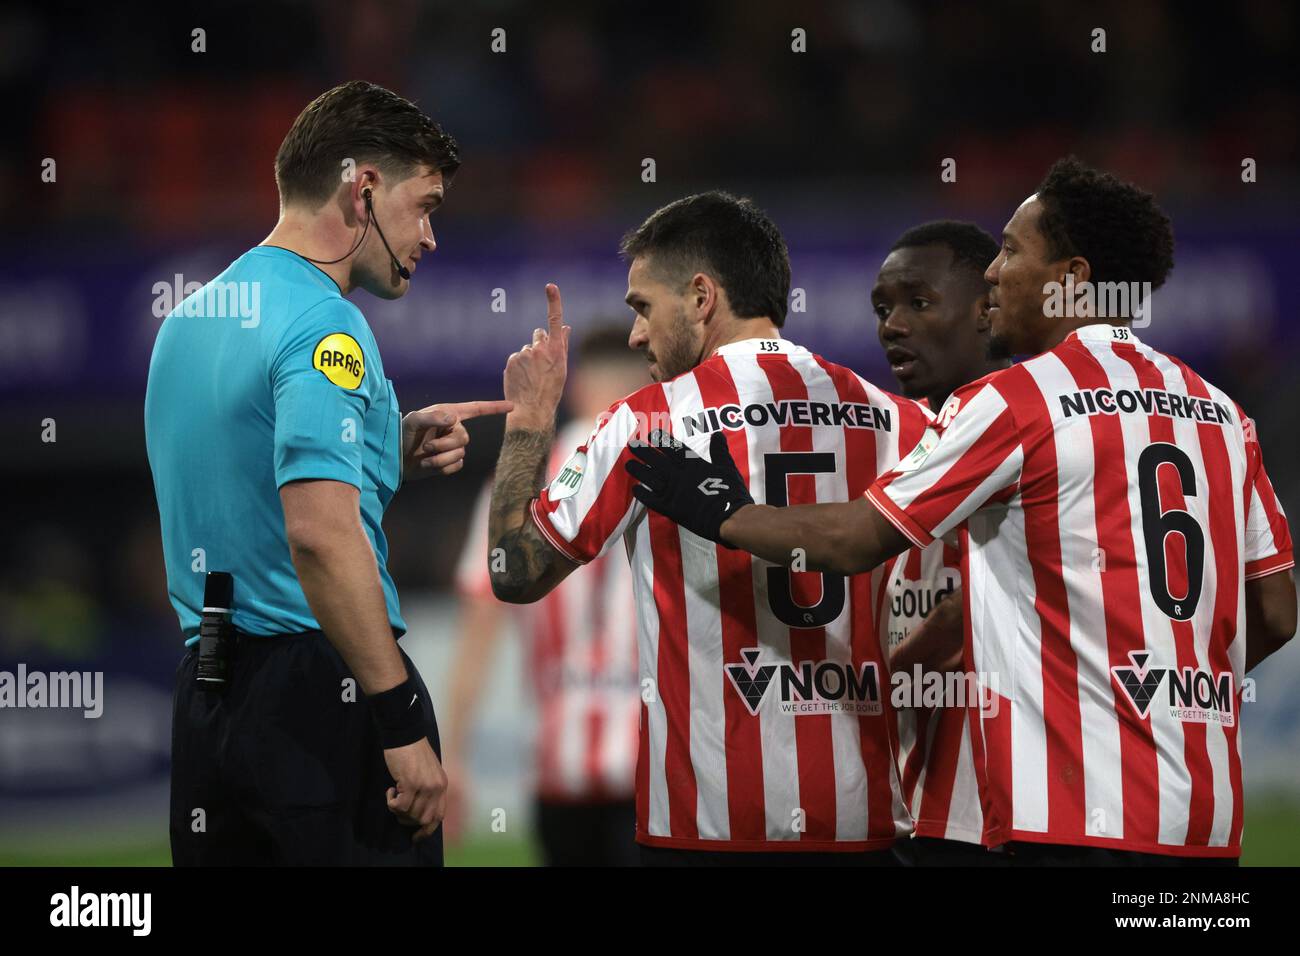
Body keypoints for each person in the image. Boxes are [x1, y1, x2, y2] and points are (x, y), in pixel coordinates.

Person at [626, 158, 1297, 865]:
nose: (992, 274)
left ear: (1070, 278)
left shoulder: (1019, 399)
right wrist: (1160, 678)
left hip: (1067, 817)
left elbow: (854, 538)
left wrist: (721, 510)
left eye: (1010, 251)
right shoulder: (1223, 415)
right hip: (1205, 818)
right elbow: (1277, 612)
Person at [486, 192, 932, 865]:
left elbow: (513, 574)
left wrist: (527, 424)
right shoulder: (904, 422)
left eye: (644, 307)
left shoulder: (645, 423)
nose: (635, 335)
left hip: (705, 831)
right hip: (863, 821)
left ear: (700, 297)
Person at [145, 81, 510, 865]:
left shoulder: (188, 320)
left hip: (208, 700)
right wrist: (398, 716)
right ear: (363, 188)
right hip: (319, 692)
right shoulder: (326, 323)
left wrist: (384, 448)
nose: (431, 236)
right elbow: (316, 533)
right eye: (426, 204)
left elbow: (241, 485)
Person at [444, 326, 649, 866]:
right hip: (656, 775)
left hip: (558, 768)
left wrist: (454, 756)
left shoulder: (515, 490)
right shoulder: (680, 477)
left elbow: (477, 635)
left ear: (576, 386)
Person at [869, 220, 1009, 865]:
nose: (893, 325)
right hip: (917, 804)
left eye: (919, 303)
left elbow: (968, 613)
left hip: (996, 812)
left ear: (987, 311)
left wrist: (861, 694)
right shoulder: (901, 440)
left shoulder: (1026, 427)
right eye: (883, 308)